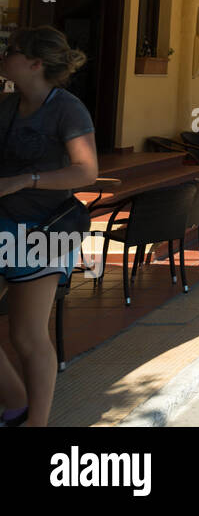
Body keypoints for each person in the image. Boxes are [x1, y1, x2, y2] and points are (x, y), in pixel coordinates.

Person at [0, 26, 97, 427]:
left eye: (12, 50)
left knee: (27, 335)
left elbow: (87, 171)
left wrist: (28, 179)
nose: (4, 54)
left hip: (44, 230)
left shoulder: (67, 108)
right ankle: (17, 402)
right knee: (24, 334)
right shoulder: (6, 105)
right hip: (3, 226)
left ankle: (34, 423)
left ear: (35, 63)